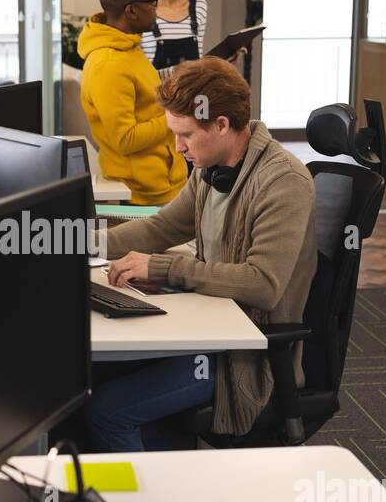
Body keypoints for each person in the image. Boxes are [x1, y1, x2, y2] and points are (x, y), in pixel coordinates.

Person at [83, 57, 317, 452]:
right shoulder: (211, 169)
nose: (178, 147)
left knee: (107, 410)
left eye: (186, 135)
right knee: (85, 376)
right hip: (207, 334)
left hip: (241, 358)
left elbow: (263, 285)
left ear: (221, 124)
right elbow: (161, 228)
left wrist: (166, 267)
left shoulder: (283, 182)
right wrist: (69, 242)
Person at [78, 0, 187, 206]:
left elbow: (145, 99)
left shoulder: (127, 47)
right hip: (142, 194)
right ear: (132, 10)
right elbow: (125, 139)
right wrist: (177, 115)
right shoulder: (108, 65)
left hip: (163, 179)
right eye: (152, 2)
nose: (157, 9)